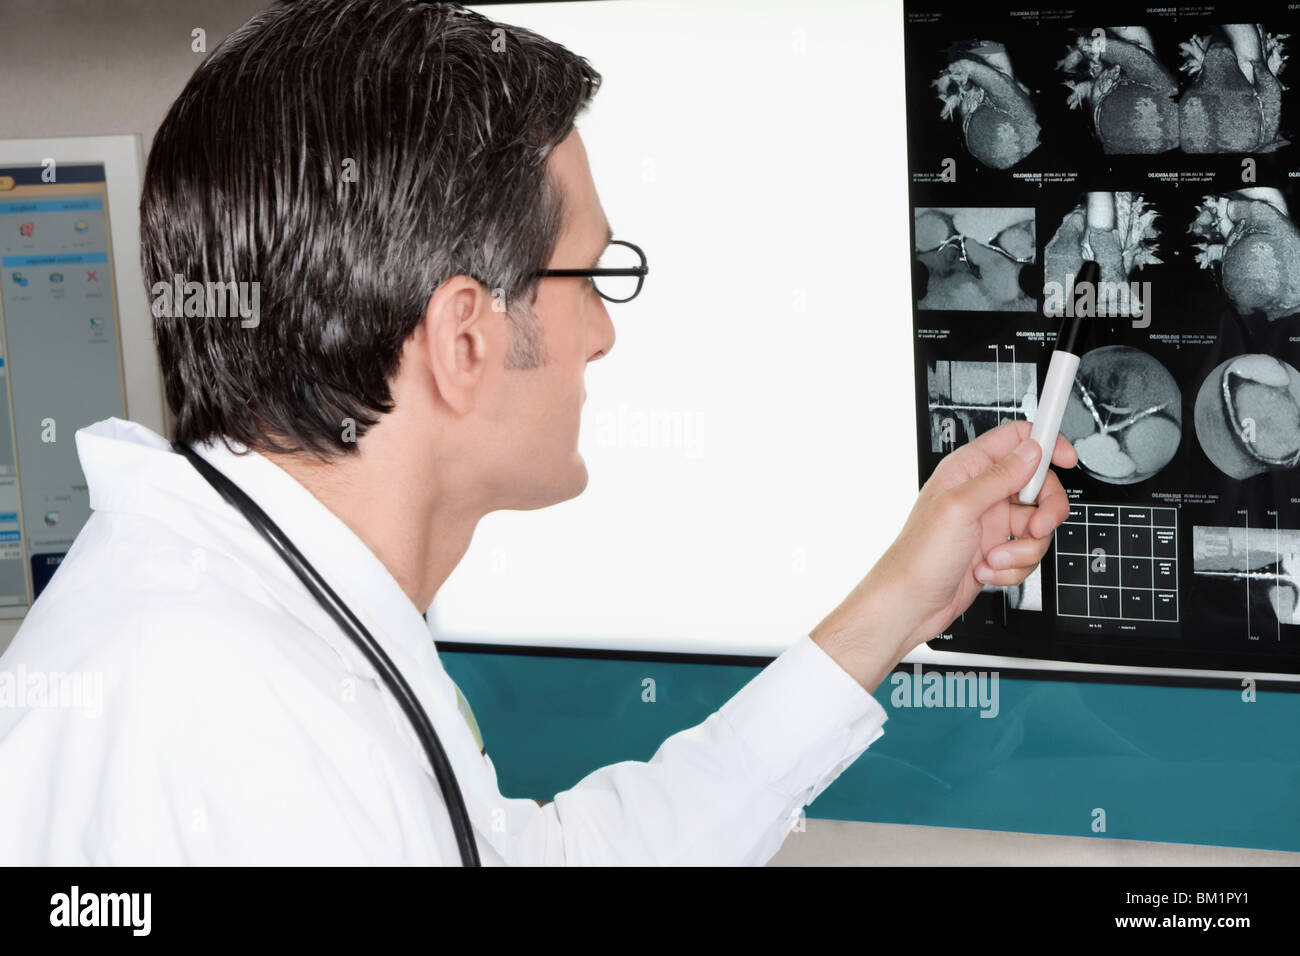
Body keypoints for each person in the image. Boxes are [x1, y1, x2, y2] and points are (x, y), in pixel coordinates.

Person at [0, 0, 1075, 865]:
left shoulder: (259, 621)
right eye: (593, 278)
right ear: (464, 337)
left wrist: (908, 593)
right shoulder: (220, 719)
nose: (601, 336)